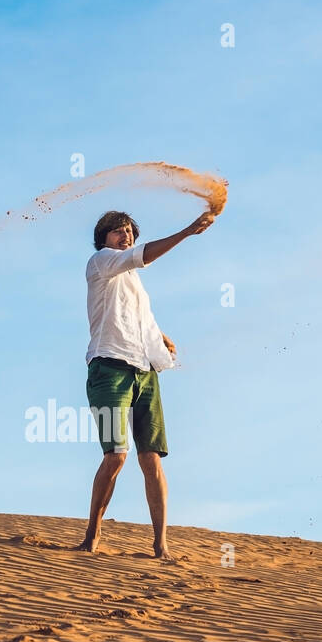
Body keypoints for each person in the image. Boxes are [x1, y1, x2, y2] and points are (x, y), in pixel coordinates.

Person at [76, 208, 216, 560]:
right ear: (104, 240)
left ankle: (160, 545)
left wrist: (161, 338)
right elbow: (142, 256)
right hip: (108, 370)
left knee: (152, 458)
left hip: (145, 374)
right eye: (117, 232)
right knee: (116, 456)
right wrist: (186, 232)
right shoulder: (101, 263)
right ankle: (92, 535)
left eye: (129, 232)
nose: (125, 236)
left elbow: (138, 319)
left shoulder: (135, 285)